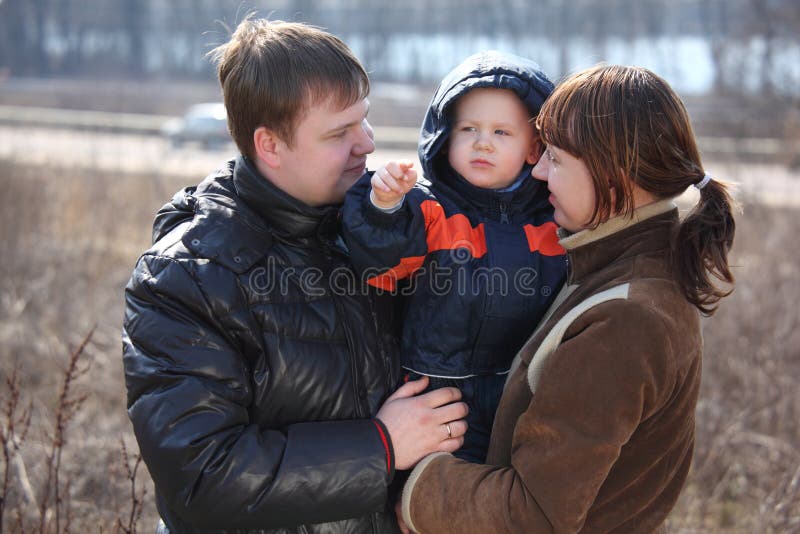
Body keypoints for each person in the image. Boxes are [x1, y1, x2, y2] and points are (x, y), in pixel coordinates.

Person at [121, 17, 468, 533]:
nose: (367, 144)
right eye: (338, 133)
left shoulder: (381, 226)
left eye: (364, 120)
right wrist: (381, 446)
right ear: (270, 147)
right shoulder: (186, 277)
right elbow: (201, 477)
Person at [399, 64, 737, 533]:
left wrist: (408, 484)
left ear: (612, 175)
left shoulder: (625, 319)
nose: (536, 170)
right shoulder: (612, 269)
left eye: (554, 158)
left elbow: (533, 514)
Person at [342, 51, 568, 463]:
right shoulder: (430, 209)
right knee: (437, 500)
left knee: (505, 499)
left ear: (535, 149)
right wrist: (384, 205)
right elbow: (383, 267)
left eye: (502, 132)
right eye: (468, 129)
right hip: (437, 397)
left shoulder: (553, 222)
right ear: (445, 138)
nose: (482, 142)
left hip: (519, 396)